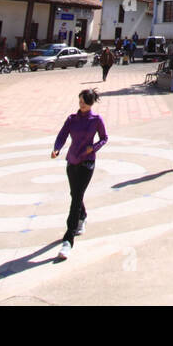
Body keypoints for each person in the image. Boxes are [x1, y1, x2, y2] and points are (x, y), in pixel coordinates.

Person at [51, 88, 107, 260]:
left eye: (83, 102)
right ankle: (83, 216)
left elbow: (104, 138)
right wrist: (57, 148)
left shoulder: (96, 120)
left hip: (87, 162)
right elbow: (62, 135)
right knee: (75, 194)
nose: (81, 104)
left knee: (75, 198)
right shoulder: (72, 119)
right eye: (80, 102)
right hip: (72, 161)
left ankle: (68, 241)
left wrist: (94, 147)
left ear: (90, 103)